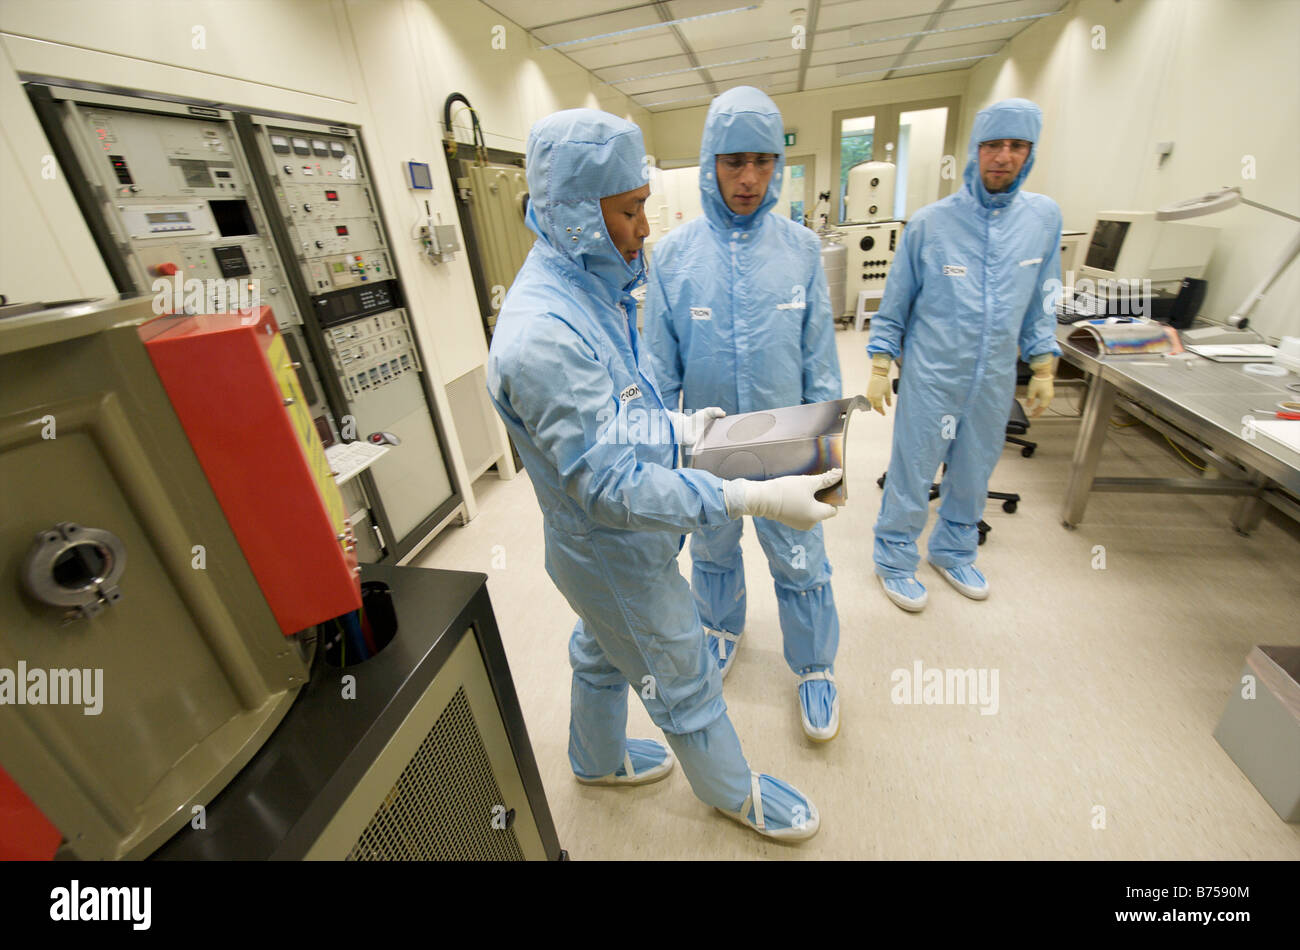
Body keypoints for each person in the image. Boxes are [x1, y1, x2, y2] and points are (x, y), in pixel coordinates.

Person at [487, 108, 841, 840]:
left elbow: (613, 413)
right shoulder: (541, 336)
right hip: (610, 546)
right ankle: (732, 794)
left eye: (645, 206)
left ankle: (594, 757)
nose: (645, 228)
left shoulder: (581, 284)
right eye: (631, 209)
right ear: (580, 216)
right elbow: (609, 485)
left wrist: (686, 428)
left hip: (597, 549)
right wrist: (746, 492)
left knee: (601, 646)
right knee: (680, 668)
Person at [644, 86, 844, 742]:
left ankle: (815, 666)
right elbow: (658, 373)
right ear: (709, 163)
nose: (749, 178)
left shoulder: (801, 250)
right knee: (714, 547)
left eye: (762, 160)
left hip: (788, 440)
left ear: (778, 165)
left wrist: (829, 464)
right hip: (710, 441)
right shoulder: (674, 256)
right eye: (734, 162)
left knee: (801, 559)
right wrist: (661, 463)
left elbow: (820, 364)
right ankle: (721, 626)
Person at [865, 97, 1061, 612]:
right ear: (975, 151)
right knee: (913, 470)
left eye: (1016, 146)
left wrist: (1043, 361)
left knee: (975, 470)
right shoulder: (931, 224)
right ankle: (893, 558)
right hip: (933, 373)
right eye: (993, 145)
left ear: (1030, 154)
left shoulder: (1042, 220)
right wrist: (881, 362)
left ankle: (953, 550)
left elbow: (1045, 293)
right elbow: (897, 300)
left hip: (994, 377)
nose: (1003, 156)